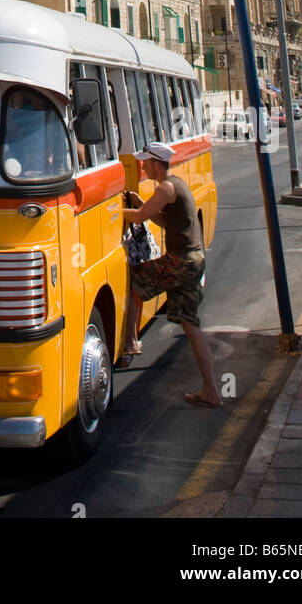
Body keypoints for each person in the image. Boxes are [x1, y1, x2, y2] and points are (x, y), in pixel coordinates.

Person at [120, 141, 222, 408]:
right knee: (191, 325)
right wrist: (143, 205)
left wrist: (112, 213)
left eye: (145, 163)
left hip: (181, 261)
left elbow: (140, 217)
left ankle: (130, 343)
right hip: (193, 260)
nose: (142, 167)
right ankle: (211, 391)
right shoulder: (176, 184)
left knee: (134, 279)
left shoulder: (165, 187)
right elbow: (163, 220)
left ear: (156, 164)